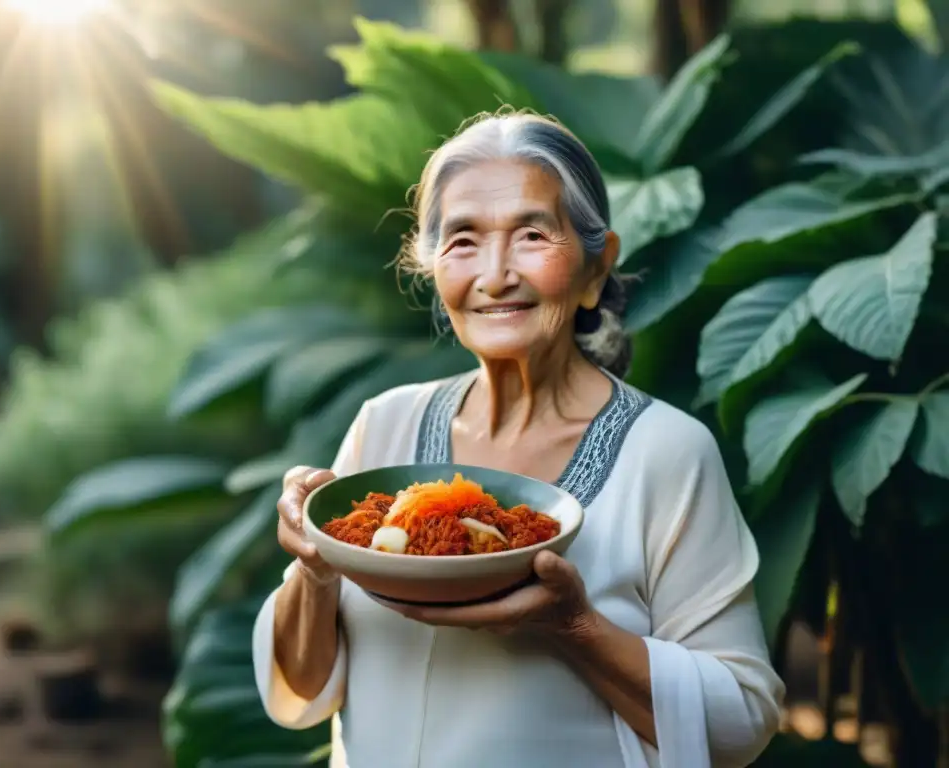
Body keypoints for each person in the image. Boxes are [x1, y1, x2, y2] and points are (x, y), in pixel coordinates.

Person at [252, 112, 784, 768]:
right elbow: (298, 694)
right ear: (433, 268)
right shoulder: (383, 427)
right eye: (464, 240)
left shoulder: (667, 452)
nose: (496, 274)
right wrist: (314, 564)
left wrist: (573, 627)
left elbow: (743, 720)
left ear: (597, 267)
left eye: (532, 234)